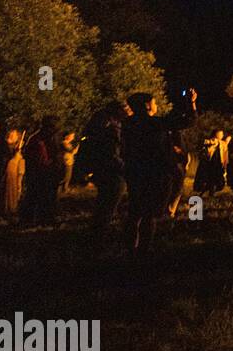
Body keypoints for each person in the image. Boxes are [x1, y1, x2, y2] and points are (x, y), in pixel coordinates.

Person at [123, 89, 197, 256]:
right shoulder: (153, 124)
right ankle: (143, 249)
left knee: (134, 211)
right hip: (154, 172)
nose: (156, 105)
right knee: (149, 214)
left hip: (134, 171)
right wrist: (190, 103)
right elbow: (186, 121)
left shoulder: (128, 124)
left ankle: (130, 247)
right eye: (154, 102)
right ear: (147, 105)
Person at [81, 102, 129, 241]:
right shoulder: (110, 128)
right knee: (108, 203)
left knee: (104, 203)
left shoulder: (99, 123)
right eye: (125, 109)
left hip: (101, 170)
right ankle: (99, 235)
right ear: (118, 111)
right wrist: (125, 168)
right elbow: (113, 154)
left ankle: (97, 231)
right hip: (111, 172)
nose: (127, 112)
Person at [20, 116, 61, 226]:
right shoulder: (36, 139)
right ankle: (28, 220)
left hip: (48, 172)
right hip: (39, 173)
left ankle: (46, 218)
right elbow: (32, 157)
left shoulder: (50, 138)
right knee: (35, 196)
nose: (53, 130)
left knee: (48, 196)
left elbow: (55, 153)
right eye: (52, 127)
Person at [2, 128, 25, 219]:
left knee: (13, 191)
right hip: (5, 171)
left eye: (14, 135)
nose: (11, 135)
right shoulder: (5, 145)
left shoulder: (18, 147)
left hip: (14, 171)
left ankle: (11, 210)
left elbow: (20, 160)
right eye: (11, 134)